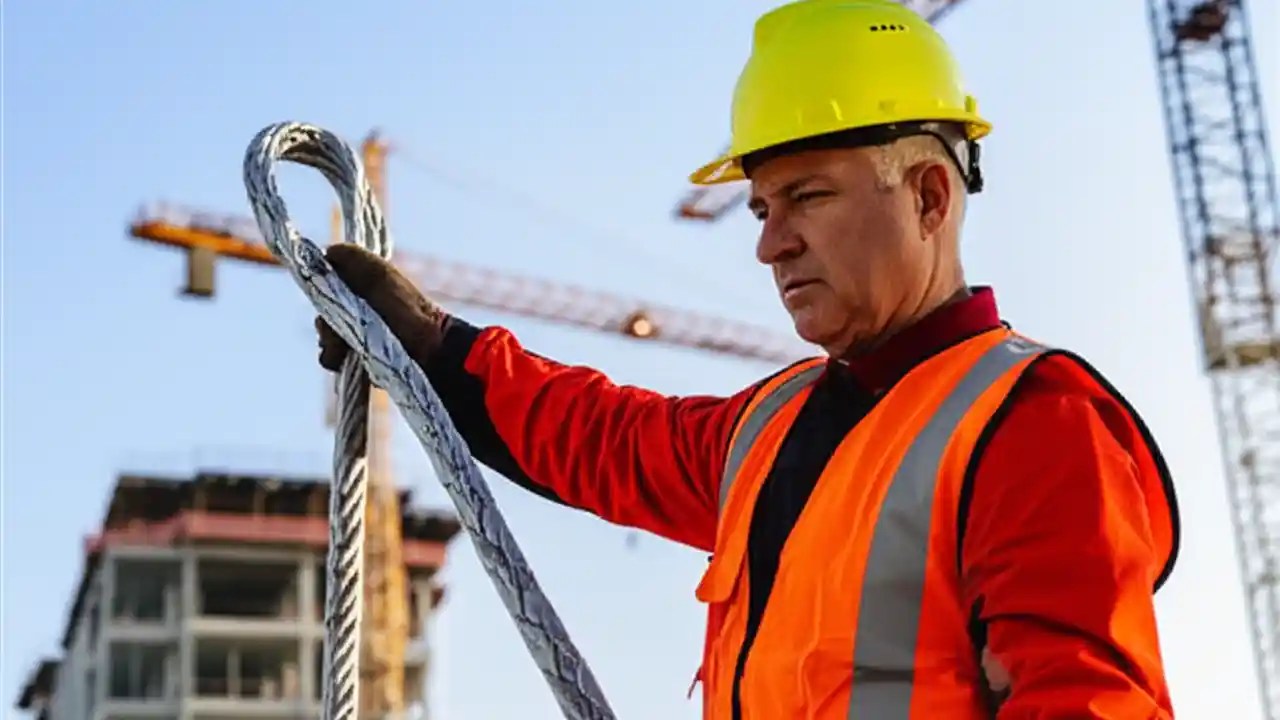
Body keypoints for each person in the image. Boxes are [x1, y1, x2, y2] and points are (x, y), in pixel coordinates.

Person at [315, 0, 1181, 717]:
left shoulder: (1036, 427)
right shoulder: (772, 428)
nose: (770, 244)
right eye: (762, 207)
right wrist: (429, 345)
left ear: (927, 196)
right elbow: (603, 438)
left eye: (806, 197)